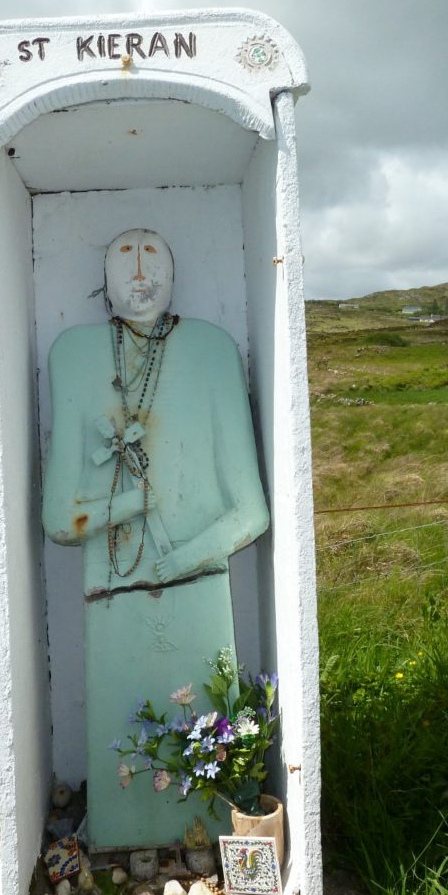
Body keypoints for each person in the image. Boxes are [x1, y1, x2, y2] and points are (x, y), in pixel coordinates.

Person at [43, 228, 269, 848]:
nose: (140, 276)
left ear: (174, 274)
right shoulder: (75, 354)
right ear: (104, 281)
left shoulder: (212, 350)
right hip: (111, 595)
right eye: (124, 262)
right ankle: (124, 845)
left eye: (153, 261)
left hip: (198, 586)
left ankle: (210, 847)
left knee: (199, 728)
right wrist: (128, 503)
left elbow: (250, 511)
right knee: (125, 751)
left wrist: (186, 557)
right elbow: (61, 519)